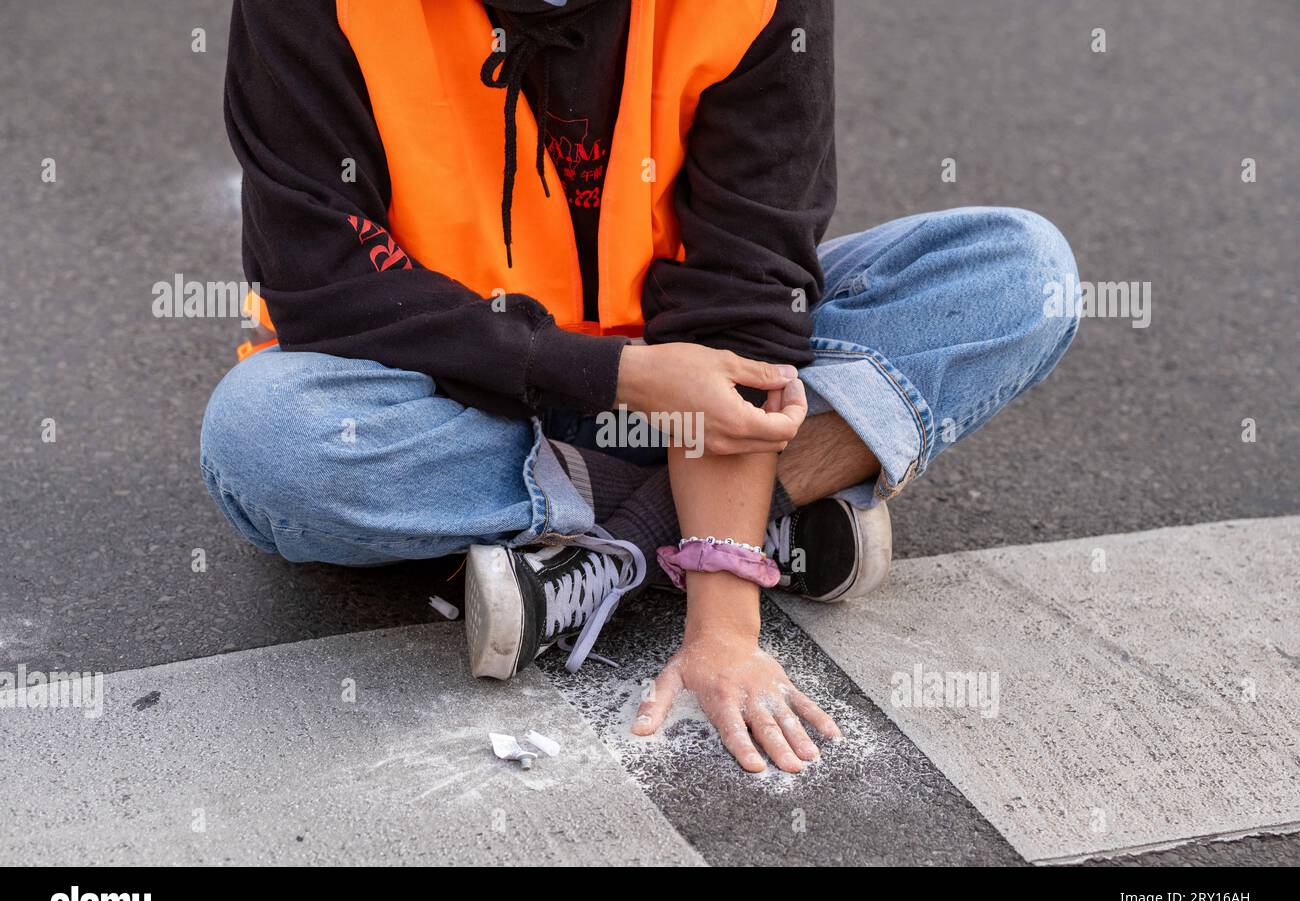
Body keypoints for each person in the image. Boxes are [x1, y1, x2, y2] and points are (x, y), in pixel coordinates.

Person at [203, 0, 1078, 774]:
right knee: (267, 439)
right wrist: (614, 377)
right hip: (453, 378)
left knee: (1018, 271)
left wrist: (725, 625)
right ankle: (757, 510)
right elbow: (323, 278)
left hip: (686, 365)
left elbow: (741, 305)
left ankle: (614, 549)